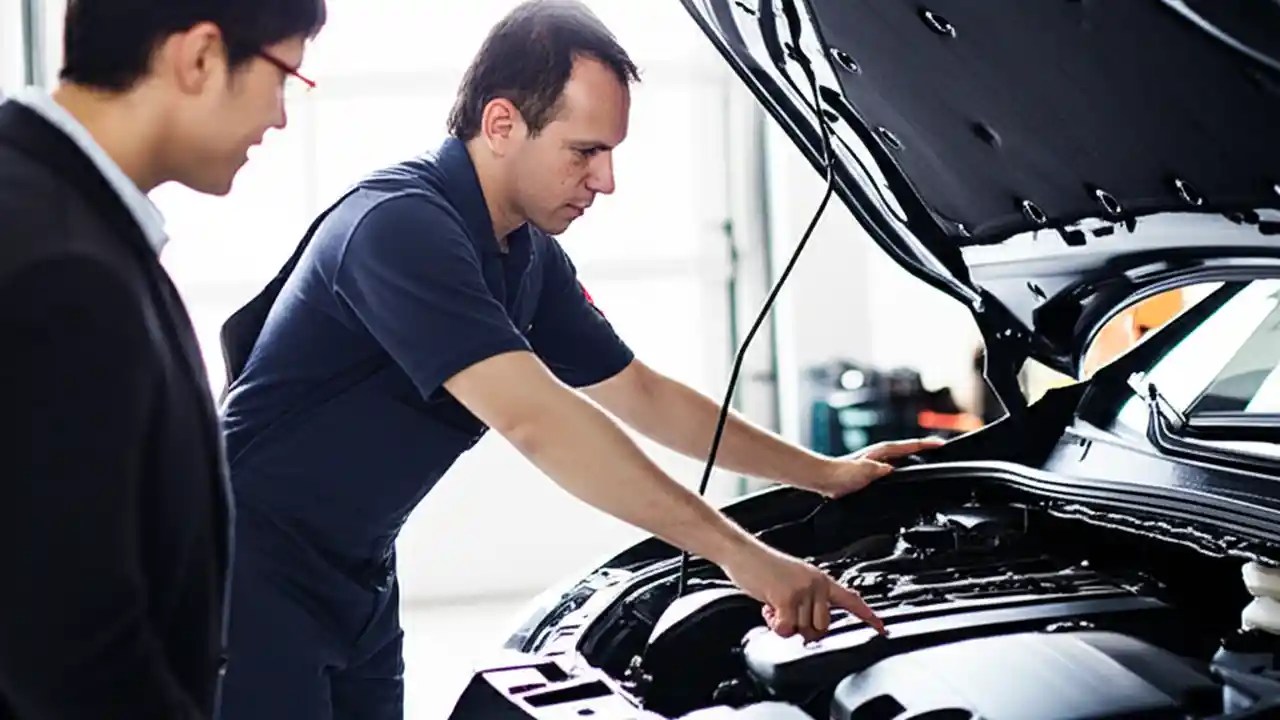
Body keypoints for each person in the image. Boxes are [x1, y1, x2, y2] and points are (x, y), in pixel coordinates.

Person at [215, 2, 940, 717]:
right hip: (245, 569)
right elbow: (540, 420)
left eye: (612, 152)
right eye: (585, 151)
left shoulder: (527, 256)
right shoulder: (399, 227)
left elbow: (640, 392)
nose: (606, 180)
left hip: (360, 575)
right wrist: (742, 555)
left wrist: (826, 476)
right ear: (501, 124)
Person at [0, 1, 325, 717]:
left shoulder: (52, 209)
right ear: (201, 57)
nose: (278, 118)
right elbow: (74, 653)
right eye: (285, 76)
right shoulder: (62, 270)